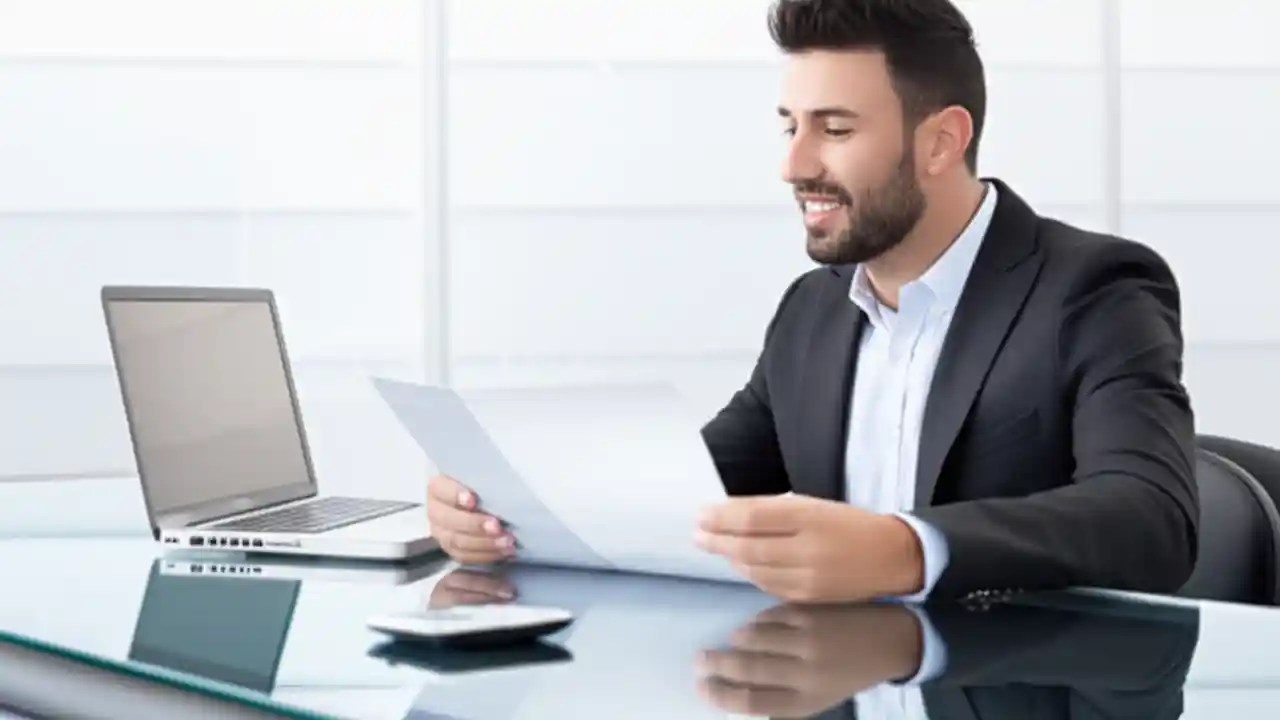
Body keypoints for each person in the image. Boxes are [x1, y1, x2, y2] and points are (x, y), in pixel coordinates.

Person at [426, 0, 1198, 603]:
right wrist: (504, 511)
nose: (794, 165)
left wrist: (904, 549)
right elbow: (687, 491)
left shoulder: (1093, 289)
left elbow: (1148, 517)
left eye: (834, 129)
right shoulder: (812, 312)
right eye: (790, 126)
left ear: (941, 141)